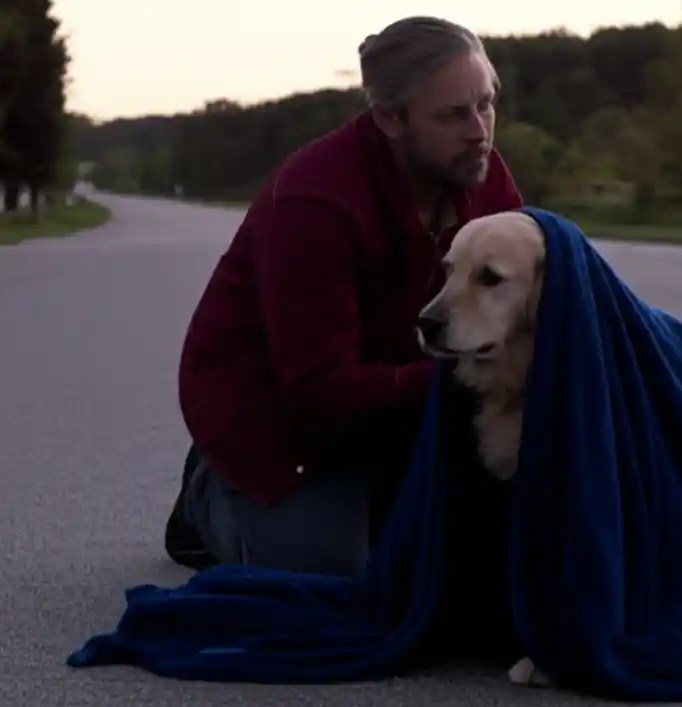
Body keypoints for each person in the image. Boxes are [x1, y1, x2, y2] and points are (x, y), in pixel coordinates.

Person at [164, 17, 525, 577]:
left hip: (403, 402)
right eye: (453, 114)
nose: (480, 130)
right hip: (284, 428)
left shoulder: (482, 176)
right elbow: (320, 395)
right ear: (389, 118)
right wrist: (463, 373)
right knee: (334, 576)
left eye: (486, 104)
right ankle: (207, 497)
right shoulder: (316, 200)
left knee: (488, 552)